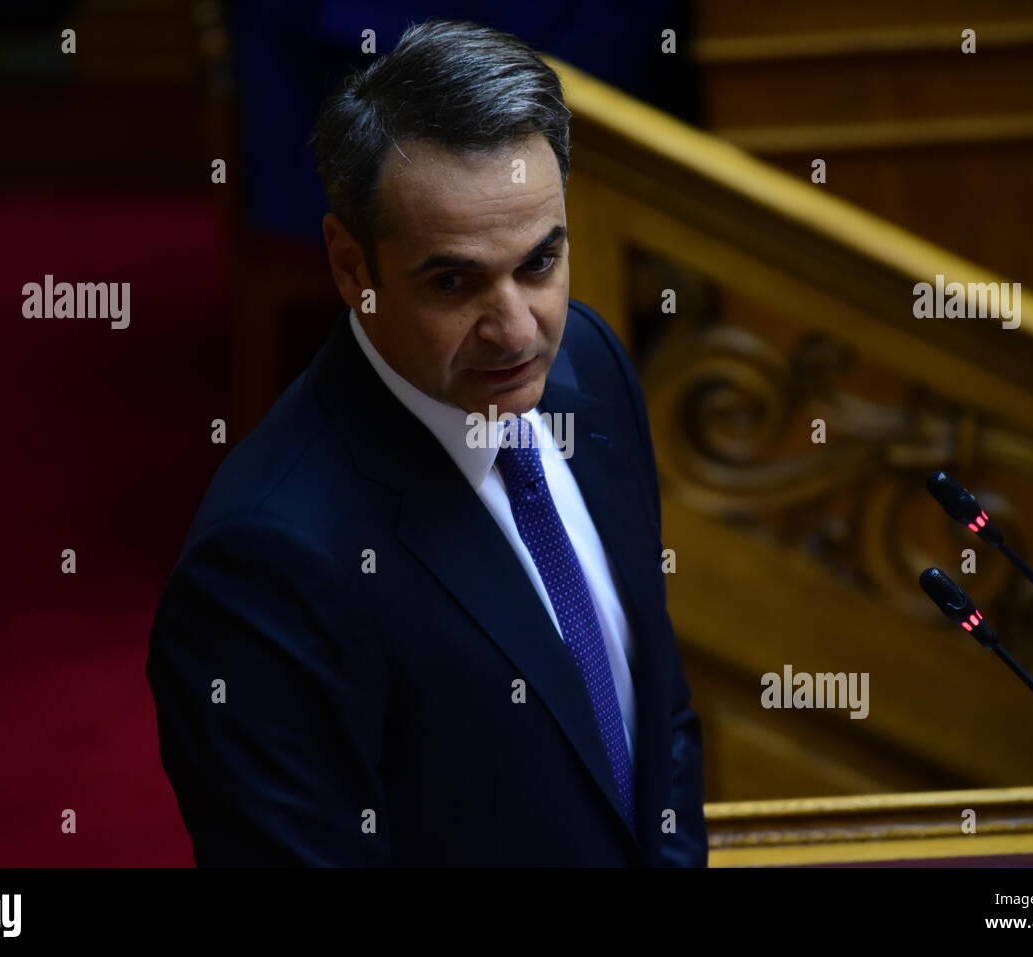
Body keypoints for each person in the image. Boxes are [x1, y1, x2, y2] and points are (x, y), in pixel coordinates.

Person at [146, 18, 706, 866]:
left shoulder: (592, 362)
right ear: (350, 266)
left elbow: (658, 716)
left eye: (539, 262)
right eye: (455, 281)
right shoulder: (264, 570)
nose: (517, 330)